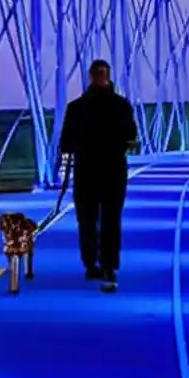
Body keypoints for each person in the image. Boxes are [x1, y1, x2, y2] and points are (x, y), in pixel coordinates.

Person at [58, 59, 138, 292]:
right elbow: (131, 137)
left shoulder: (75, 108)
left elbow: (65, 143)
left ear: (91, 76)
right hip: (113, 168)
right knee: (111, 218)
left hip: (86, 169)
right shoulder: (122, 106)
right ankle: (108, 265)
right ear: (107, 76)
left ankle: (90, 263)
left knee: (87, 219)